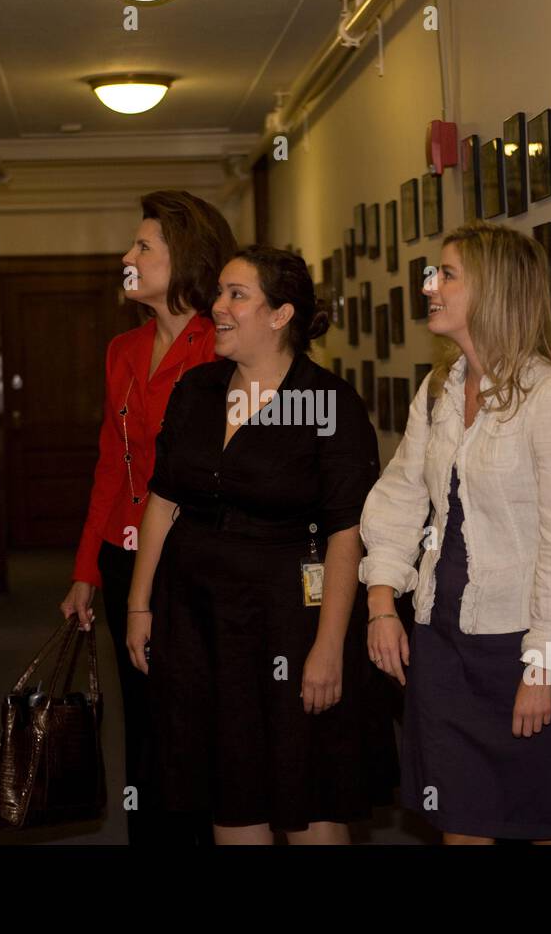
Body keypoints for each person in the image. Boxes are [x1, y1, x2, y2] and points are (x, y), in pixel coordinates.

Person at [125, 245, 396, 844]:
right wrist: (140, 605)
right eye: (220, 292)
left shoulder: (330, 404)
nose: (217, 307)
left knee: (309, 786)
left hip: (293, 622)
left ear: (280, 315)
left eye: (236, 295)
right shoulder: (196, 390)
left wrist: (329, 648)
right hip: (200, 623)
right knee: (230, 783)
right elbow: (163, 502)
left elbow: (347, 536)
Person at [360, 222, 551, 844]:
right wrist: (380, 602)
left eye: (447, 275)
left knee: (549, 824)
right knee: (461, 823)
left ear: (495, 291)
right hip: (443, 643)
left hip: (526, 651)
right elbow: (399, 496)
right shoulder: (439, 392)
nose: (430, 285)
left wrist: (542, 667)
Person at [59, 189, 236, 844]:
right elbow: (112, 462)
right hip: (125, 554)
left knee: (197, 720)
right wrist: (87, 570)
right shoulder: (122, 349)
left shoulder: (223, 347)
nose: (126, 255)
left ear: (183, 259)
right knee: (142, 720)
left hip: (198, 562)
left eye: (143, 247)